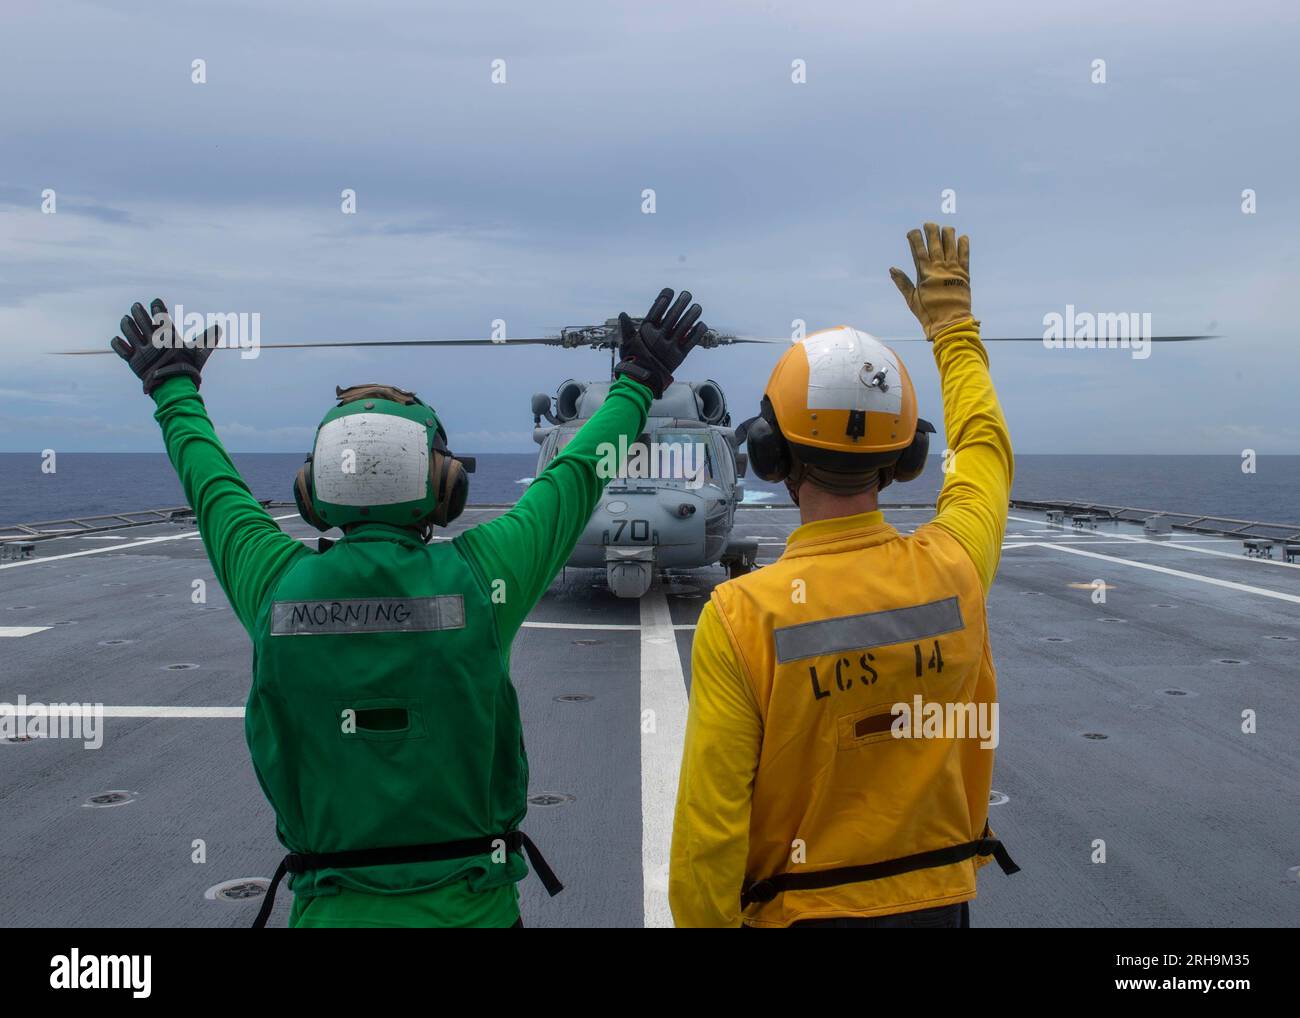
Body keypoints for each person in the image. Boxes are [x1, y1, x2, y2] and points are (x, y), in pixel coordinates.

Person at [110, 287, 708, 927]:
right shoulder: (482, 577)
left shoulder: (272, 584)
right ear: (445, 487)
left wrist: (173, 389)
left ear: (312, 491)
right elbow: (579, 473)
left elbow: (213, 488)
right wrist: (638, 382)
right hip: (474, 913)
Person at [668, 224, 1018, 928]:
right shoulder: (955, 567)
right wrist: (953, 330)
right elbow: (984, 451)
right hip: (939, 908)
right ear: (906, 457)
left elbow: (709, 835)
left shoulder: (742, 617)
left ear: (771, 452)